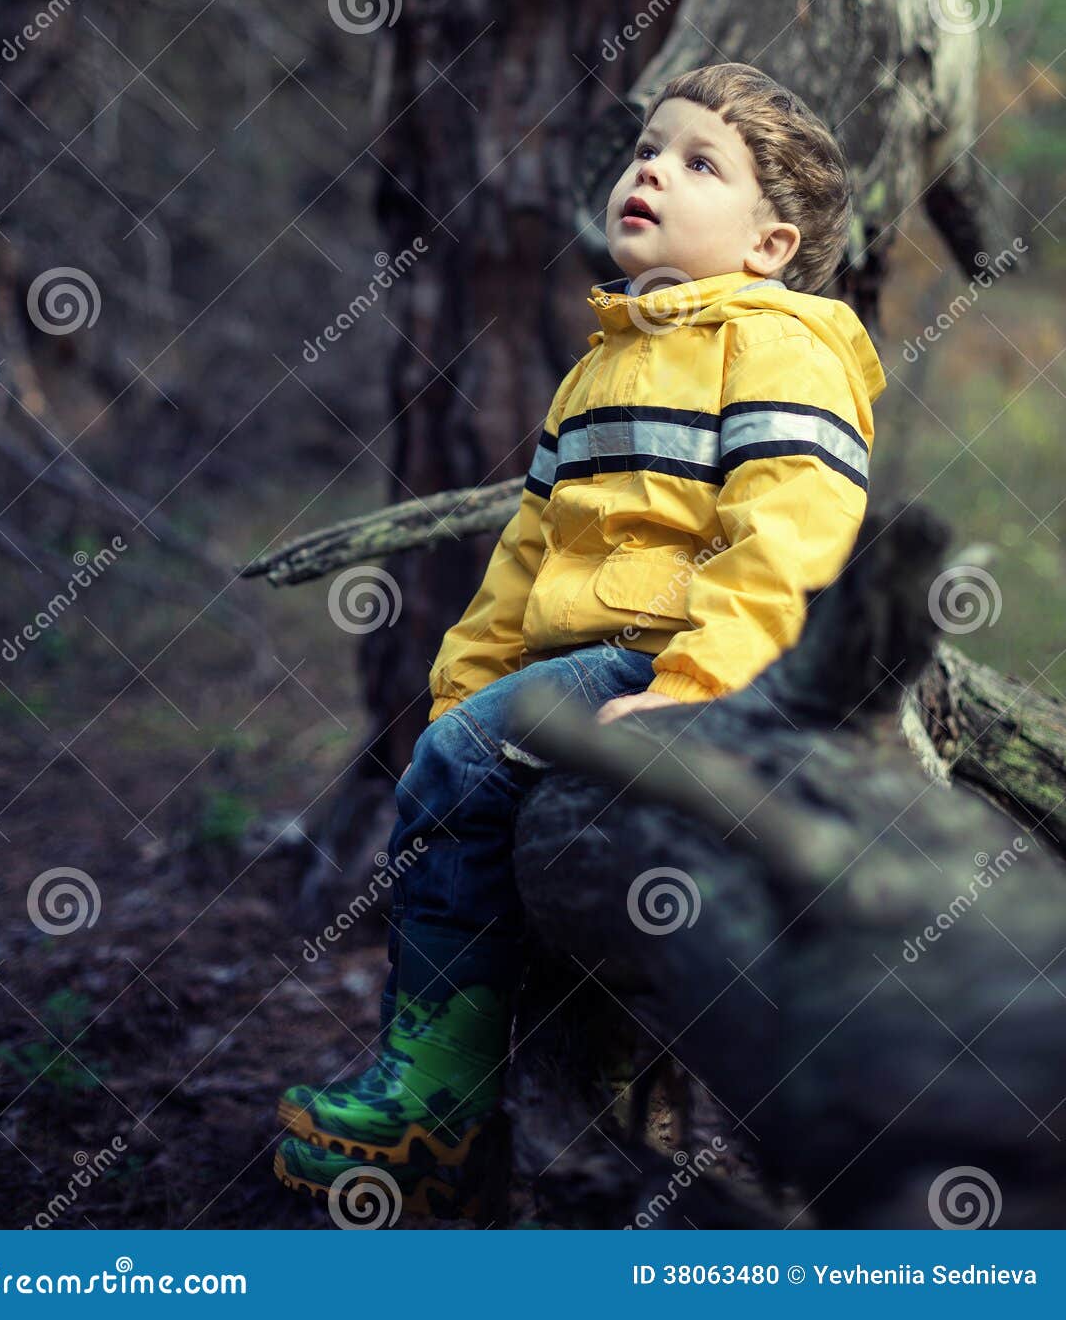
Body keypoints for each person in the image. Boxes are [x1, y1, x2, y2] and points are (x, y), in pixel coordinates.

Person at [273, 61, 887, 1208]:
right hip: (581, 666)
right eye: (646, 148)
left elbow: (787, 534)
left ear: (767, 243)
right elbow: (529, 553)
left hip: (683, 656)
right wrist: (471, 683)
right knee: (457, 758)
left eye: (700, 161)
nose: (650, 167)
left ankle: (436, 1087)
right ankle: (483, 1087)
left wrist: (704, 679)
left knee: (458, 773)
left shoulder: (776, 346)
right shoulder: (596, 370)